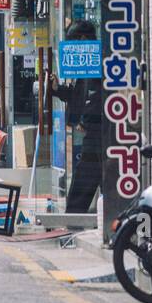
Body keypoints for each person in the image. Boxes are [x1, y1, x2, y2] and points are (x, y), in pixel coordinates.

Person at [50, 20, 103, 214]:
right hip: (95, 129)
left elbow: (99, 96)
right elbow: (78, 95)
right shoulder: (89, 62)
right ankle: (76, 214)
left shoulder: (97, 61)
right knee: (96, 173)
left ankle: (74, 215)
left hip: (99, 130)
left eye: (72, 41)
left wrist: (85, 121)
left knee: (86, 173)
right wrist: (57, 89)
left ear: (82, 39)